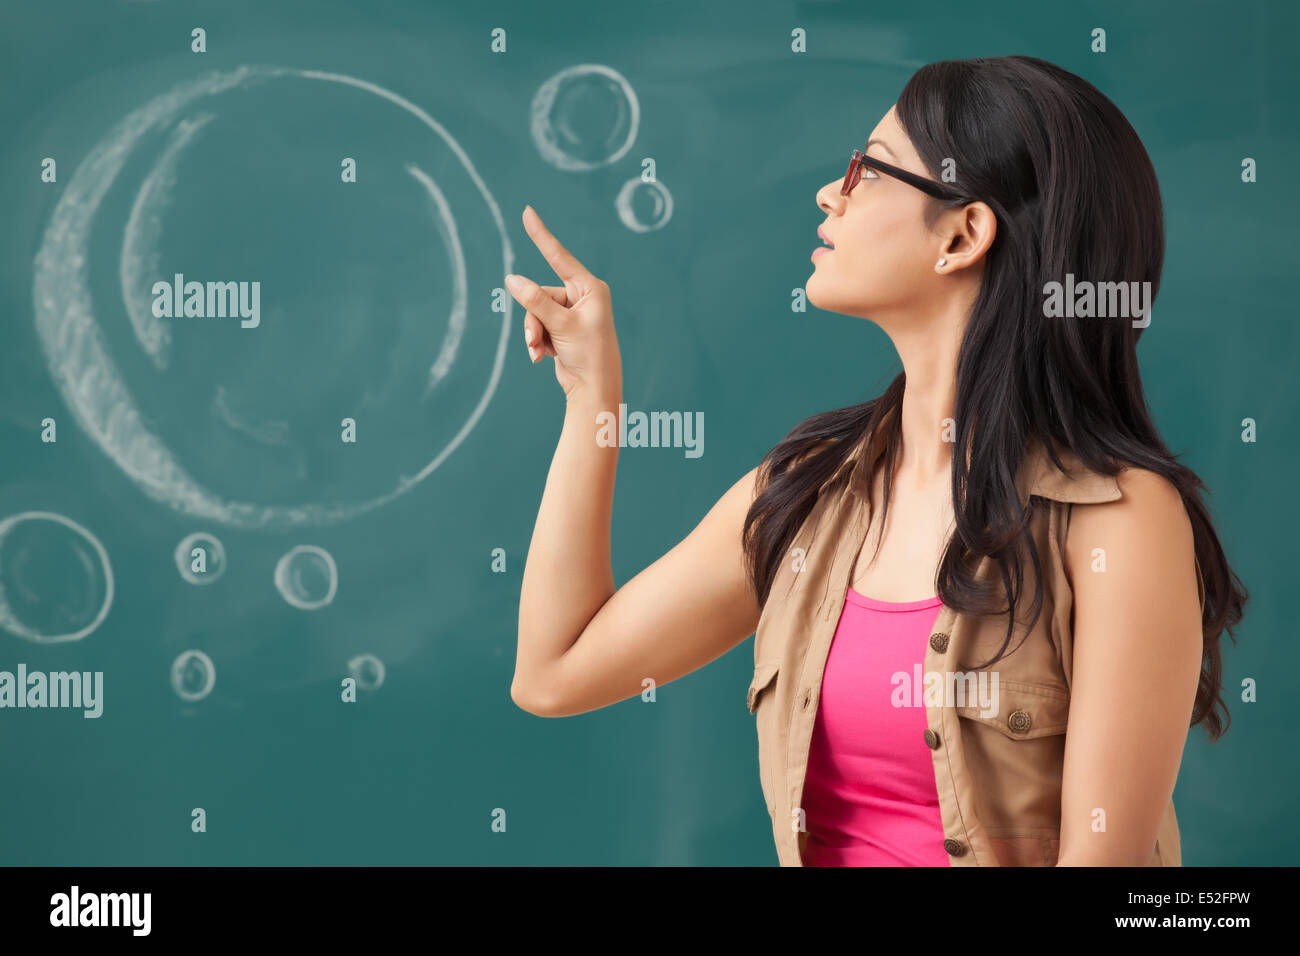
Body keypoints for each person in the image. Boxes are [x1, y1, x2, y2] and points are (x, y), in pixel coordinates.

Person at [505, 55, 1247, 867]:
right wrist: (591, 405)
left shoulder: (1119, 519)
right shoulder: (806, 491)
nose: (832, 192)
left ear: (963, 235)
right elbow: (556, 672)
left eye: (868, 167)